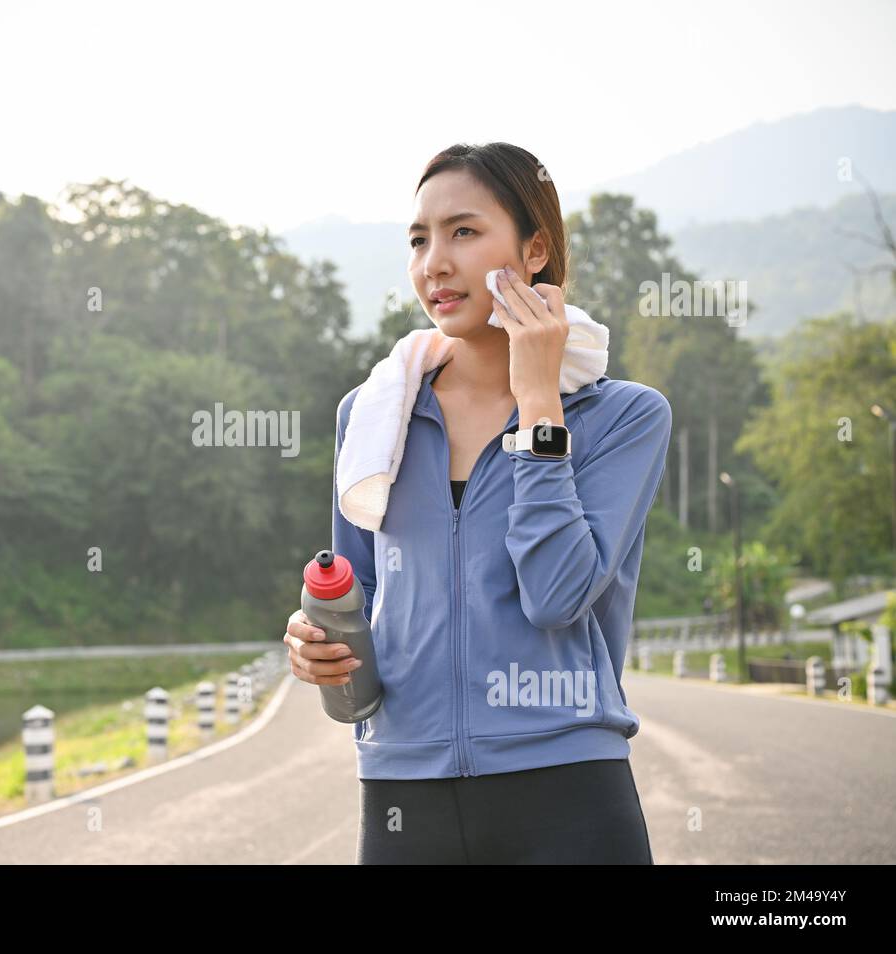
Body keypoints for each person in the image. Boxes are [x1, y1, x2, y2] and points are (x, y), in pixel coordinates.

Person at [284, 142, 671, 864]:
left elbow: (557, 595)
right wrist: (320, 642)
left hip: (567, 785)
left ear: (535, 250)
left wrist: (538, 404)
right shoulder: (373, 416)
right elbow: (360, 588)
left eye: (464, 232)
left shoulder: (623, 418)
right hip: (405, 789)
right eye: (419, 239)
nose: (435, 262)